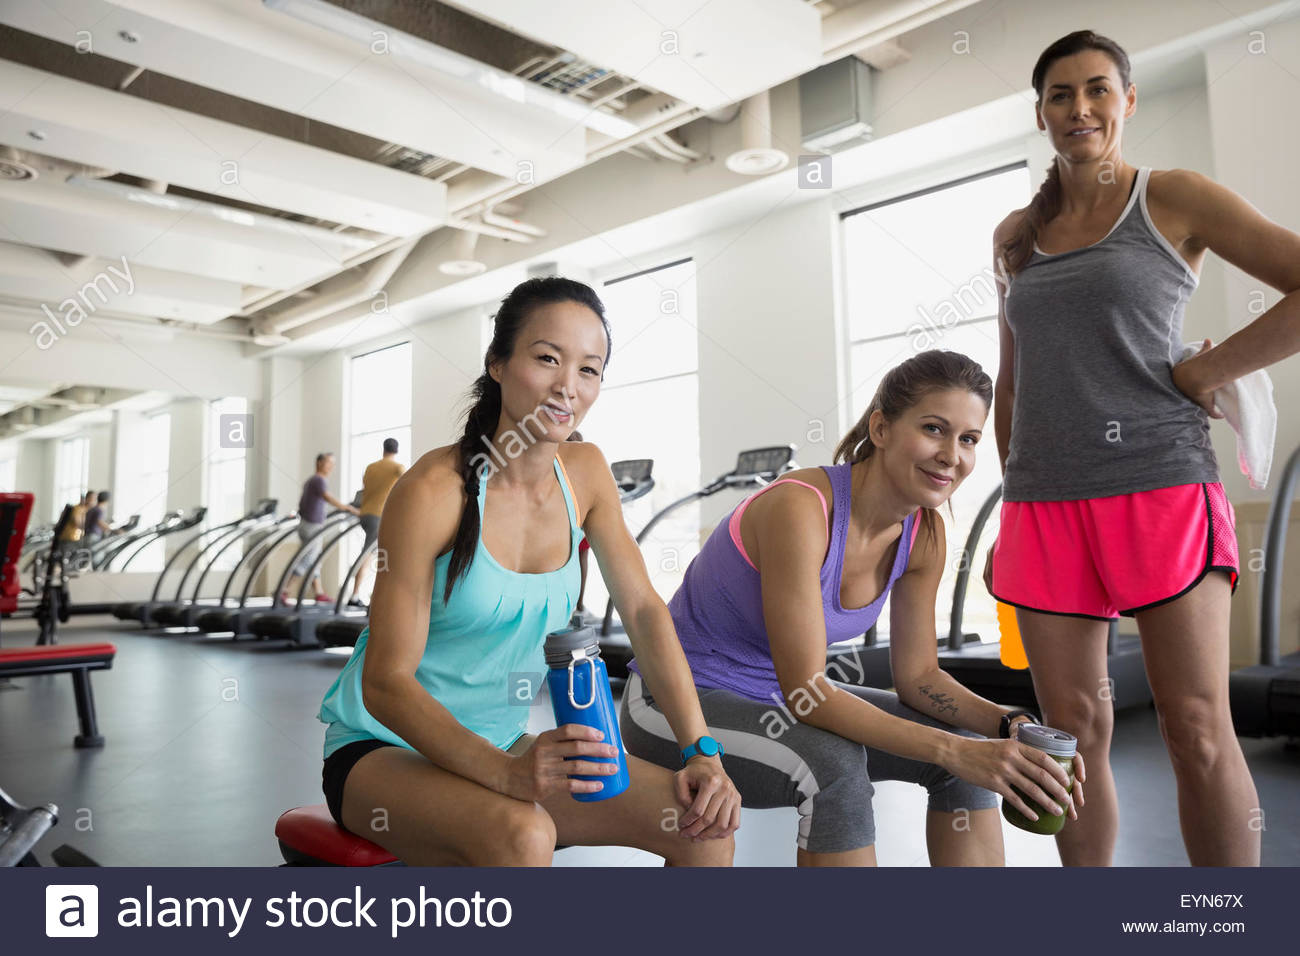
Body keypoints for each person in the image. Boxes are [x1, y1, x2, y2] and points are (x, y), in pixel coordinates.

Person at [985, 30, 1300, 867]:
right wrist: (1013, 493)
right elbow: (1012, 381)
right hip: (1045, 506)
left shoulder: (1174, 198)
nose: (1078, 107)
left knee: (1194, 725)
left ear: (1127, 101)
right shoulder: (1016, 234)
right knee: (1073, 733)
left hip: (1160, 486)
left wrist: (1216, 371)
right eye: (1059, 94)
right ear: (1042, 111)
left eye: (1097, 89)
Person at [318, 277, 740, 866]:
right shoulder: (433, 491)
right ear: (498, 364)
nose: (568, 386)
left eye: (589, 369)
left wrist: (702, 751)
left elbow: (644, 611)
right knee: (525, 835)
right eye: (547, 359)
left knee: (703, 827)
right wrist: (505, 773)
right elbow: (386, 683)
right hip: (381, 751)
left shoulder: (586, 471)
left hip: (506, 745)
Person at [622, 351, 1083, 867]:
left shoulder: (924, 533)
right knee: (835, 764)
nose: (952, 455)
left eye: (969, 439)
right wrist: (957, 752)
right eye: (934, 428)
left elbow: (919, 676)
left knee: (964, 747)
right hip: (674, 701)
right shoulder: (800, 510)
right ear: (881, 428)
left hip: (775, 697)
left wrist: (1008, 725)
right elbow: (807, 693)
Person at [283, 453, 359, 603]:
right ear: (319, 463)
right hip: (312, 526)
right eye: (328, 463)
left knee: (314, 560)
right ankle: (284, 590)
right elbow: (327, 497)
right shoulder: (319, 480)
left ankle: (319, 592)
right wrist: (348, 508)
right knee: (309, 558)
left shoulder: (310, 481)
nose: (331, 467)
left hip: (306, 524)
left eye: (333, 464)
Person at [349, 438, 405, 608]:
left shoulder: (371, 467)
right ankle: (358, 595)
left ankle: (361, 594)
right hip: (380, 515)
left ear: (384, 449)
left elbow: (366, 488)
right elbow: (408, 485)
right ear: (396, 450)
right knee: (372, 555)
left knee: (374, 554)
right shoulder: (397, 467)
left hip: (365, 514)